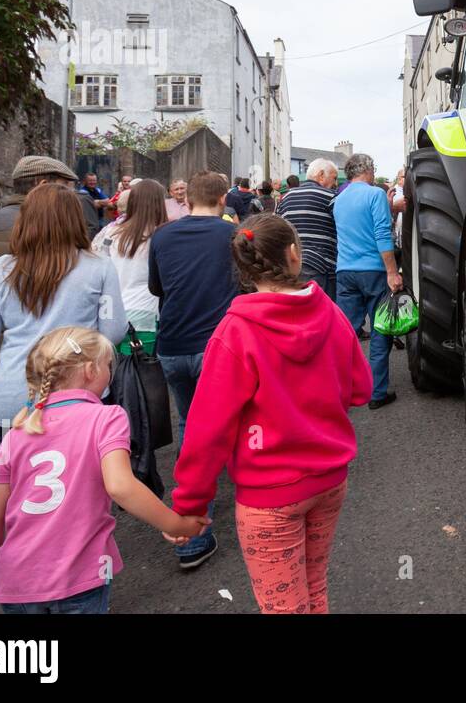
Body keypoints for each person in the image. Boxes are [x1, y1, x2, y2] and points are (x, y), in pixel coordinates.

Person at [172, 215, 371, 613]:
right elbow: (360, 388)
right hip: (329, 480)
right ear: (294, 255)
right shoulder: (329, 312)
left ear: (244, 268)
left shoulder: (235, 333)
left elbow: (208, 430)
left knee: (283, 605)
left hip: (269, 494)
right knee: (314, 589)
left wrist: (191, 503)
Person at [0, 183, 128, 590]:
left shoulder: (0, 270)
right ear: (74, 220)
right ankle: (68, 568)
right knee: (78, 485)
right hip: (77, 393)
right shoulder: (96, 267)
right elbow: (113, 330)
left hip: (12, 393)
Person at [0, 327, 208, 614]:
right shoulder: (106, 417)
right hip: (79, 573)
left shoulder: (17, 432)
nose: (110, 372)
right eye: (108, 365)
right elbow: (121, 486)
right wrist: (174, 524)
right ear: (89, 371)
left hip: (16, 581)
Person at [147, 170, 238, 568]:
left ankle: (192, 509)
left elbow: (157, 288)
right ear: (222, 200)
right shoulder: (230, 237)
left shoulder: (162, 236)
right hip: (214, 347)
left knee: (189, 424)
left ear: (187, 200)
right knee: (221, 426)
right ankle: (193, 537)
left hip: (172, 346)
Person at [0, 156, 80, 355]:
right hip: (28, 350)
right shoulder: (47, 230)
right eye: (64, 186)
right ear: (43, 184)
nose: (71, 193)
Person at [333, 153, 402, 410]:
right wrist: (392, 272)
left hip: (345, 271)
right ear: (368, 170)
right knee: (380, 331)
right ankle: (377, 392)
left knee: (346, 333)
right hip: (372, 270)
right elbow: (383, 235)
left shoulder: (338, 200)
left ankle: (341, 391)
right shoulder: (374, 195)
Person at [100, 179, 168, 354]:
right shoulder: (161, 235)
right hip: (145, 313)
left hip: (110, 314)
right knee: (141, 377)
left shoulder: (110, 232)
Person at [277, 158, 339, 299]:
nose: (335, 184)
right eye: (334, 178)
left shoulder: (285, 198)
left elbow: (277, 230)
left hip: (291, 264)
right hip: (322, 266)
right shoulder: (330, 197)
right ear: (321, 175)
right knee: (320, 314)